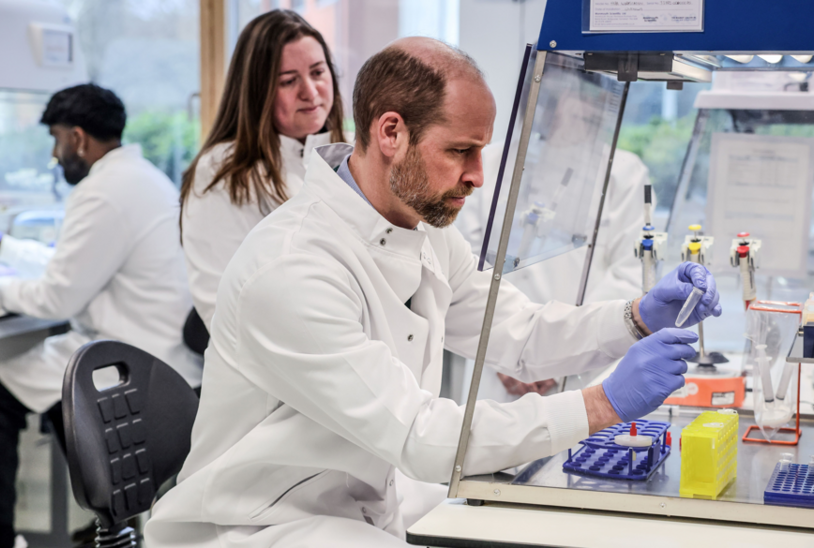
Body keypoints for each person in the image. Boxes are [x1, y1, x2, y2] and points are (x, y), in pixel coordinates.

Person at [144, 38, 720, 547]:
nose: (477, 175)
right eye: (460, 150)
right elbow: (419, 433)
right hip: (258, 525)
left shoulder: (422, 230)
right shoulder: (294, 266)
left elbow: (517, 331)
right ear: (390, 132)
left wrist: (635, 317)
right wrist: (601, 404)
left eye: (481, 151)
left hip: (361, 501)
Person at [0, 84, 200, 548]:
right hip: (161, 357)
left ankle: (3, 535)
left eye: (56, 139)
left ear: (78, 138)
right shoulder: (141, 177)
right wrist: (2, 246)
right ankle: (108, 514)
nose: (55, 153)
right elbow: (74, 265)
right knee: (41, 387)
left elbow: (57, 297)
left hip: (128, 359)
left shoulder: (101, 193)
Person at [180, 9, 346, 330]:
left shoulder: (352, 152)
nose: (310, 92)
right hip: (270, 350)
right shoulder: (223, 170)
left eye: (317, 72)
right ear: (257, 92)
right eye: (288, 81)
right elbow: (222, 304)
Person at [455, 140, 652, 400]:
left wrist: (556, 360)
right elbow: (465, 268)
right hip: (496, 368)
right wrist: (501, 353)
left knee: (577, 423)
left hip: (580, 371)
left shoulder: (624, 172)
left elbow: (630, 275)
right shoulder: (489, 162)